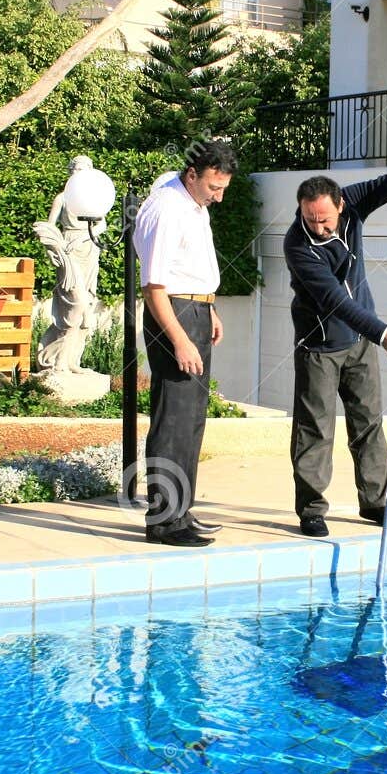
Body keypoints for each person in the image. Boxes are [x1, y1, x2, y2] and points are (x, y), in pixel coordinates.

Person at [283, 154, 387, 537]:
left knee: (368, 424)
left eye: (324, 219)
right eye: (310, 219)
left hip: (359, 345)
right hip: (319, 348)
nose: (318, 227)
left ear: (339, 205)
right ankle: (311, 510)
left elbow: (386, 185)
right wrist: (384, 334)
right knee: (315, 429)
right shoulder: (298, 246)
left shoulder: (351, 205)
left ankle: (375, 503)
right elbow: (336, 301)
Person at [131, 139, 235, 547]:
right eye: (214, 187)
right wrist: (179, 339)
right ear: (192, 174)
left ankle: (180, 511)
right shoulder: (166, 209)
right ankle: (163, 522)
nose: (219, 197)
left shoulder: (192, 204)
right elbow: (154, 285)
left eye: (223, 188)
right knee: (172, 417)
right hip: (171, 316)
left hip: (193, 312)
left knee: (191, 419)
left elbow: (189, 270)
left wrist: (208, 308)